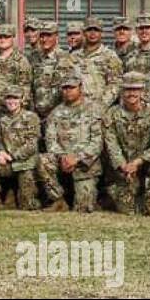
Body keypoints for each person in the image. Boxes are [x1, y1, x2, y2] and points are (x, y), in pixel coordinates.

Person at [102, 72, 150, 217]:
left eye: (135, 89)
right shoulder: (111, 115)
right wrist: (123, 165)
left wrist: (138, 162)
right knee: (128, 210)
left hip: (144, 163)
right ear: (122, 91)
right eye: (128, 89)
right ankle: (135, 194)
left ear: (142, 91)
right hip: (123, 167)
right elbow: (111, 146)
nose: (131, 93)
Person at [37, 69, 103, 212]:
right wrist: (63, 157)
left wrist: (77, 158)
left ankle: (90, 197)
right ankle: (58, 200)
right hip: (62, 160)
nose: (68, 91)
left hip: (85, 164)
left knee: (83, 208)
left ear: (80, 87)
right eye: (65, 88)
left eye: (72, 87)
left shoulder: (93, 110)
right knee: (42, 160)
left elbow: (97, 143)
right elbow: (51, 141)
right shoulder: (56, 113)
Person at [0, 86, 41, 210]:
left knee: (27, 206)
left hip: (25, 162)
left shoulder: (31, 117)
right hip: (8, 162)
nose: (11, 101)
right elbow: (0, 141)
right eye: (8, 98)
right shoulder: (3, 120)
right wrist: (1, 153)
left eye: (15, 98)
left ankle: (28, 198)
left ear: (21, 100)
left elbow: (32, 145)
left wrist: (13, 156)